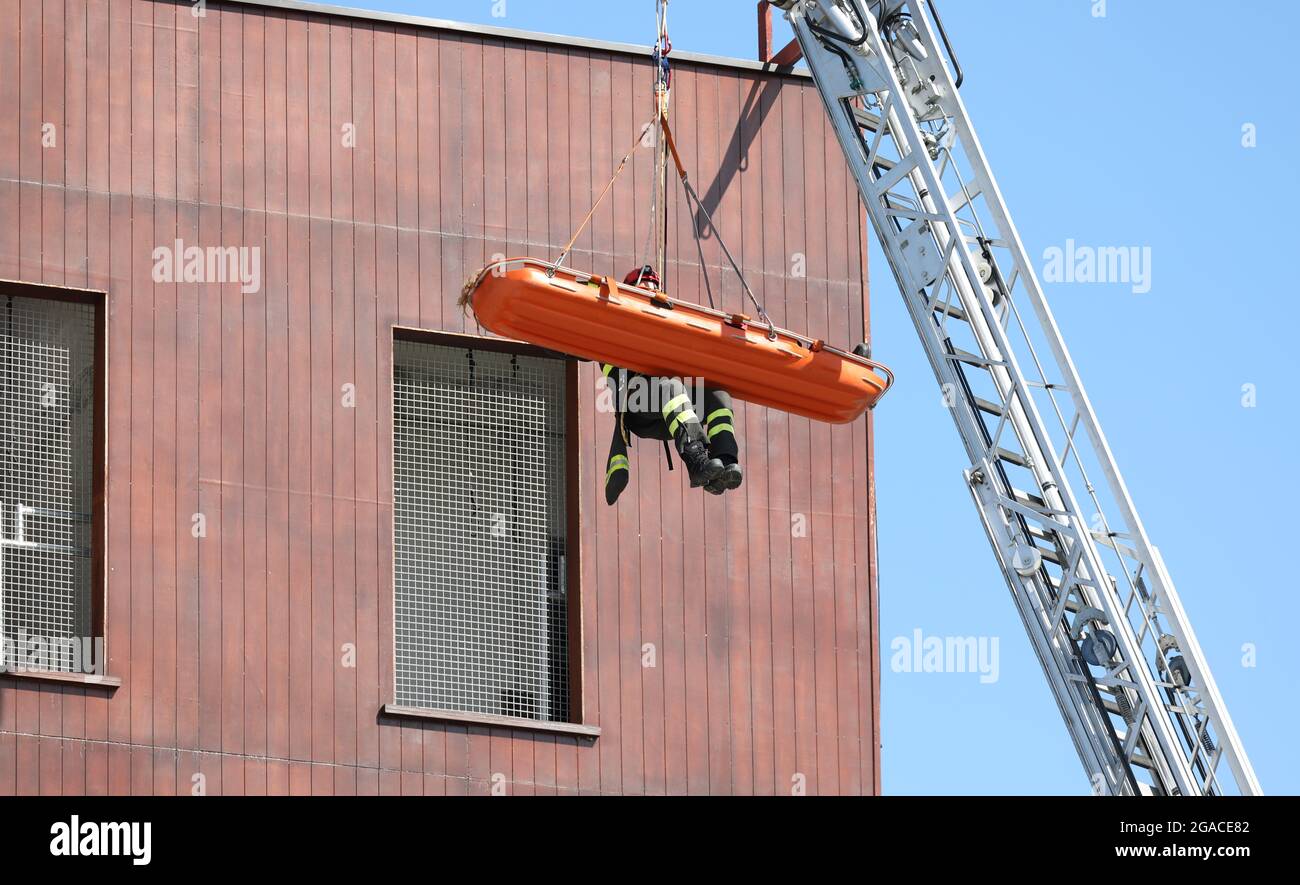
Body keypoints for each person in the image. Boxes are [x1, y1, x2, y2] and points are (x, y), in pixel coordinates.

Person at [602, 265, 743, 505]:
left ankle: (723, 464)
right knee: (671, 387)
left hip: (672, 412)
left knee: (718, 397)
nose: (651, 291)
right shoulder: (613, 322)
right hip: (638, 404)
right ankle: (696, 460)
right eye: (645, 286)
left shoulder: (665, 323)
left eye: (655, 287)